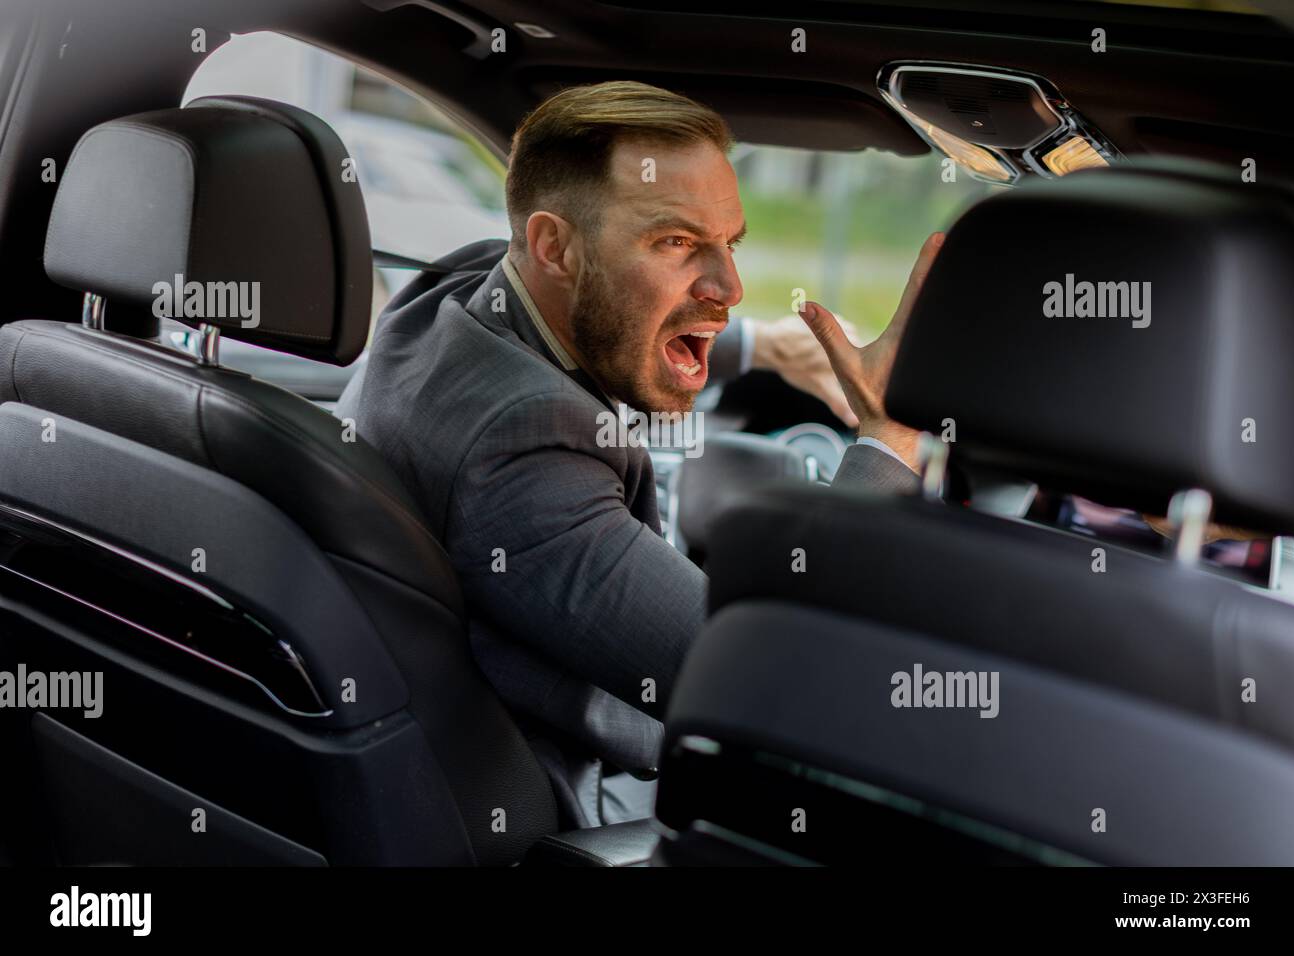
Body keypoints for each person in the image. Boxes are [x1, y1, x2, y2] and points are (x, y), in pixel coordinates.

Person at [343, 80, 943, 828]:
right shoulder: (521, 452)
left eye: (732, 243)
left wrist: (760, 349)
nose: (731, 286)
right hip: (571, 810)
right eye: (677, 242)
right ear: (553, 245)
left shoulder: (455, 296)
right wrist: (888, 435)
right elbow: (768, 671)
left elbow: (592, 327)